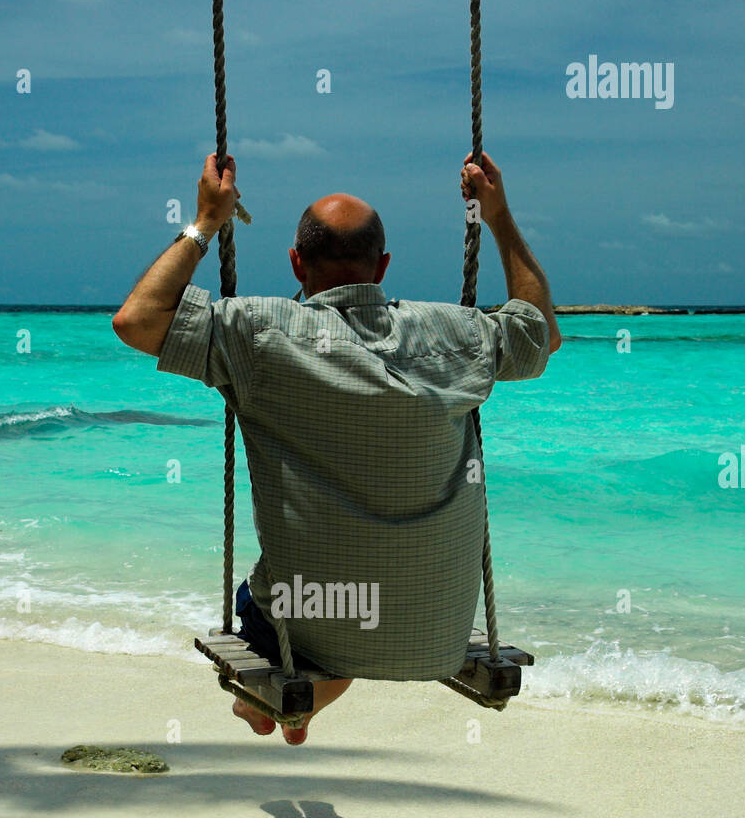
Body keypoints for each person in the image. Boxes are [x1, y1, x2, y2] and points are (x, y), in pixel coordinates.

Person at [113, 151, 562, 744]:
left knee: (281, 604)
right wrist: (497, 216)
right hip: (436, 631)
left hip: (320, 626)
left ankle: (273, 707)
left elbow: (137, 320)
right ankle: (299, 704)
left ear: (297, 263)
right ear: (382, 267)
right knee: (354, 608)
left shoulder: (258, 332)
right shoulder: (459, 332)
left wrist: (207, 222)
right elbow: (541, 331)